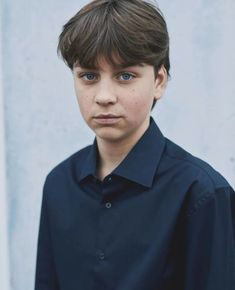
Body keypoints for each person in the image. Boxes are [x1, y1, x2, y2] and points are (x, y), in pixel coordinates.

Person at [34, 0, 235, 289]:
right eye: (89, 76)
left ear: (159, 81)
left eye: (125, 75)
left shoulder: (201, 193)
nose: (104, 96)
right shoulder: (59, 184)